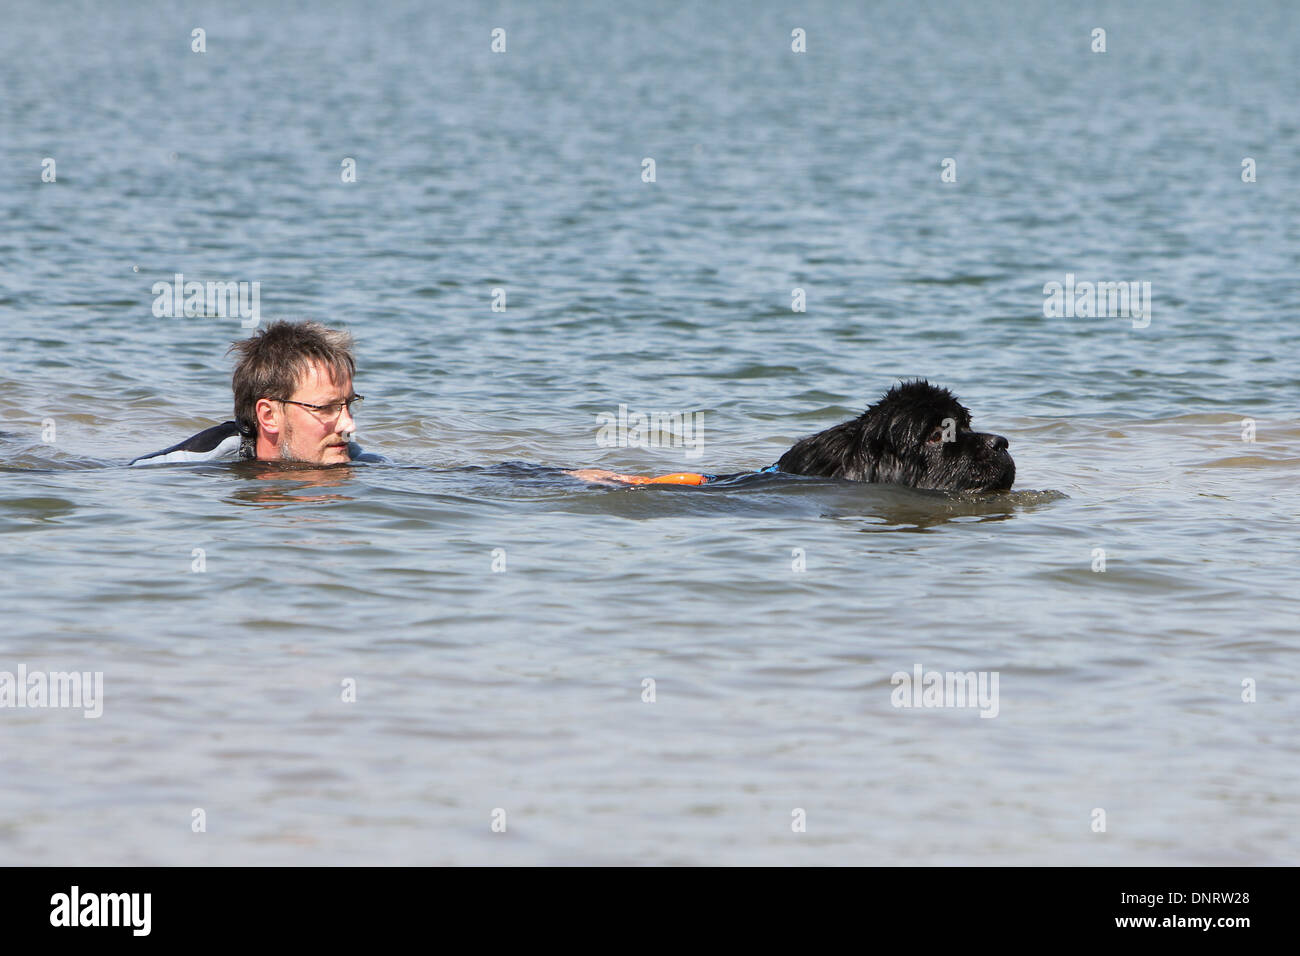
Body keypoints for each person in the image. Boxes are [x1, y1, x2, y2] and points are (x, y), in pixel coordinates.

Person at [131, 321, 385, 466]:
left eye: (348, 405)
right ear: (269, 415)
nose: (349, 424)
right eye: (326, 408)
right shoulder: (195, 461)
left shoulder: (361, 460)